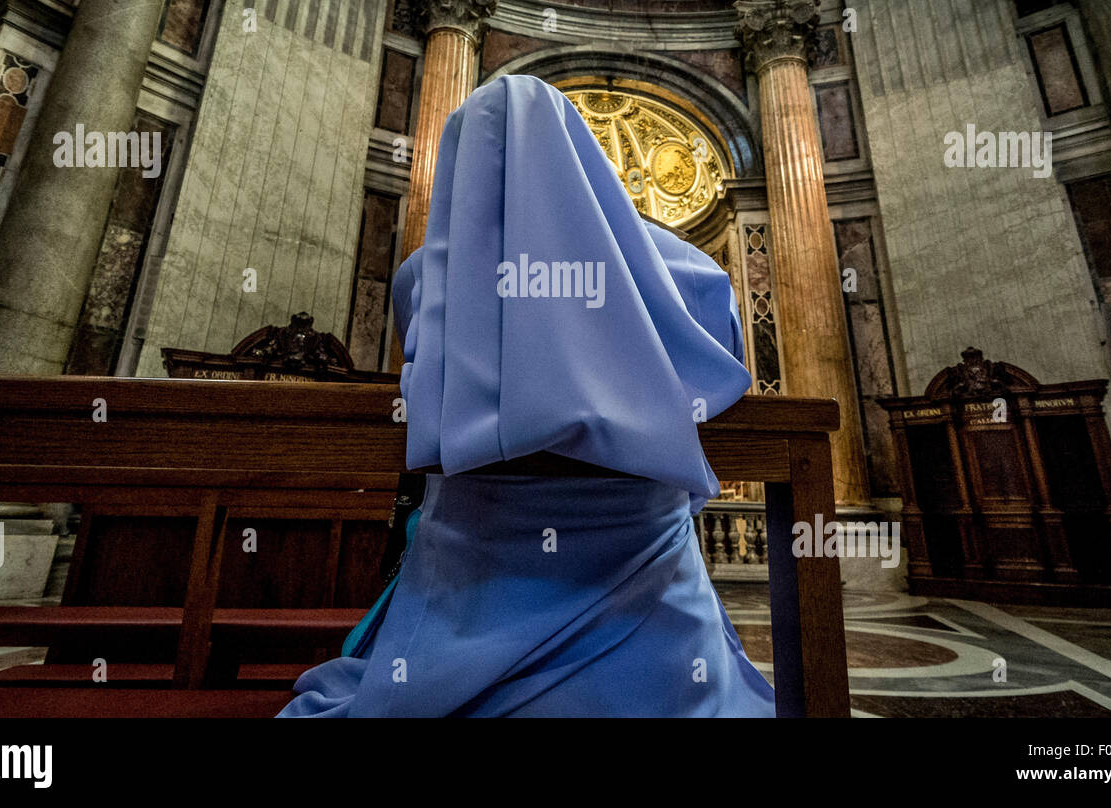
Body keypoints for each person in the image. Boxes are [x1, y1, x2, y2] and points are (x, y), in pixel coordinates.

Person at [276, 74, 774, 717]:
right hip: (645, 570)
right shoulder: (684, 266)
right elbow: (723, 365)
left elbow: (426, 383)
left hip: (474, 575)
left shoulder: (420, 277)